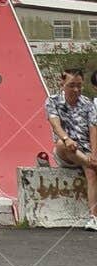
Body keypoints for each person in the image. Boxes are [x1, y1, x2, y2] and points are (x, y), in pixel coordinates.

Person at [45, 68, 97, 229]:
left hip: (85, 149)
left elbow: (93, 128)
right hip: (66, 149)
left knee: (91, 172)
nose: (76, 90)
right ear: (62, 84)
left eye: (79, 86)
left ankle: (93, 217)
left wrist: (94, 153)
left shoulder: (87, 103)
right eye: (72, 85)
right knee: (63, 144)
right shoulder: (52, 101)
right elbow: (55, 124)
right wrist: (66, 138)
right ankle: (90, 162)